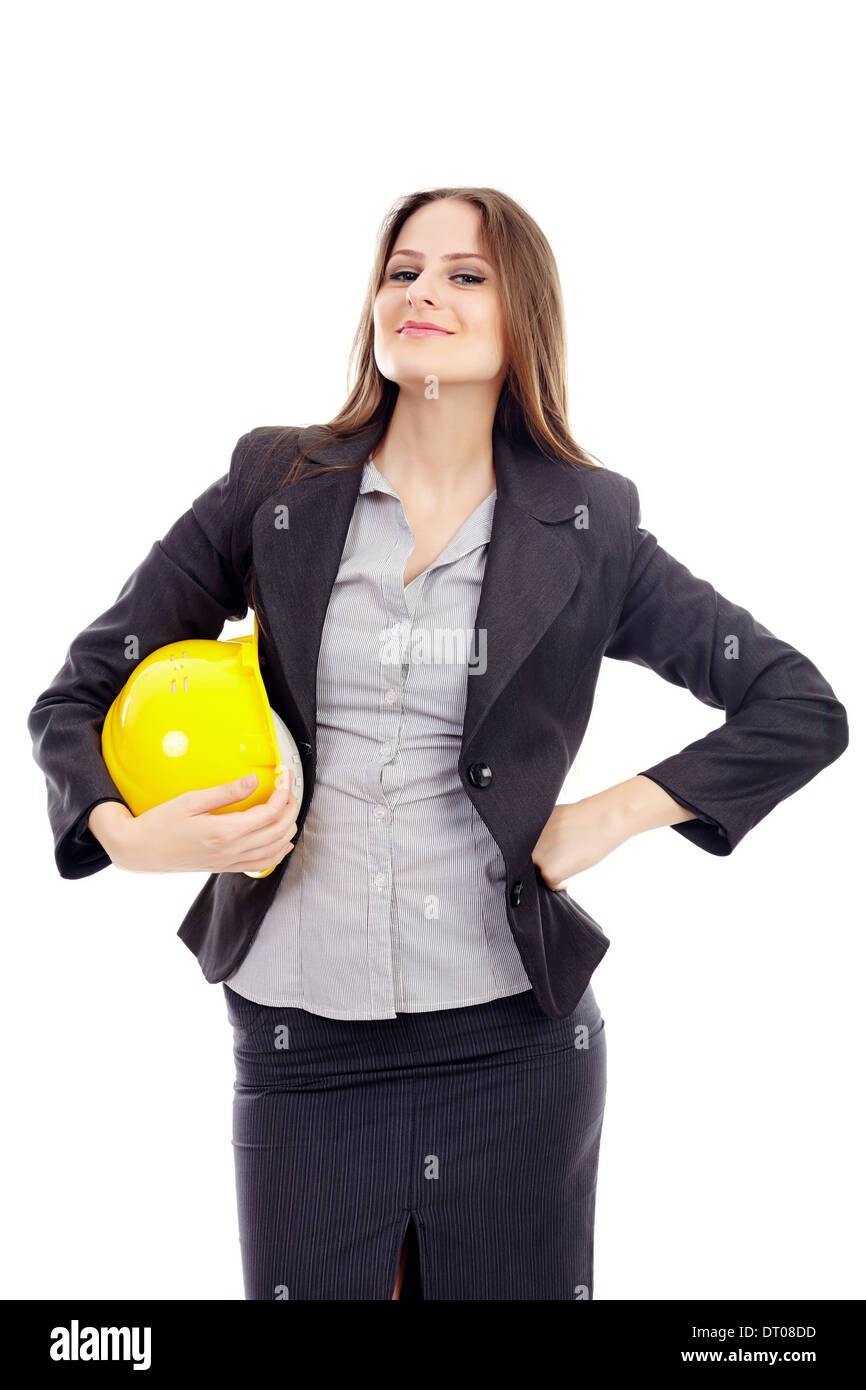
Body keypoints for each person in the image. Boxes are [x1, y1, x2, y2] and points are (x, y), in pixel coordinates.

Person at [28, 187, 849, 1300]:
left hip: (515, 1050)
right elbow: (79, 690)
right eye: (403, 269)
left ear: (523, 319)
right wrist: (129, 836)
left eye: (464, 275)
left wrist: (603, 818)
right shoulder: (276, 484)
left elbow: (796, 705)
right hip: (300, 1051)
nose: (422, 291)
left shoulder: (587, 525)